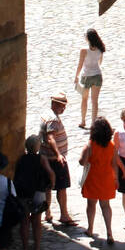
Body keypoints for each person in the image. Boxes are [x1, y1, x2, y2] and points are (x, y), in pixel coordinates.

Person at [80, 117, 125, 247]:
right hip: (106, 179)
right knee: (106, 206)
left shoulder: (91, 144)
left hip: (93, 178)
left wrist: (86, 152)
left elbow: (82, 162)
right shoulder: (111, 146)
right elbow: (114, 165)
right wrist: (116, 179)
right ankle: (109, 232)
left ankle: (90, 229)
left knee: (91, 205)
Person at [13, 134, 55, 250]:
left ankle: (25, 249)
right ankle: (37, 249)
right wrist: (51, 184)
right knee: (37, 222)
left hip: (23, 192)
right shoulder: (41, 159)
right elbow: (50, 173)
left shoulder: (21, 158)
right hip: (38, 192)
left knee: (24, 222)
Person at [39, 92, 78, 226]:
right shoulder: (53, 119)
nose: (64, 108)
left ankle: (48, 213)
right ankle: (64, 215)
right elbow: (50, 138)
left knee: (47, 187)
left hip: (46, 157)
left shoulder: (47, 115)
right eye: (62, 106)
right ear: (55, 104)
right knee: (62, 187)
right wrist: (58, 154)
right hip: (54, 159)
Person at [75, 28, 105, 128]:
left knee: (84, 99)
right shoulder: (100, 48)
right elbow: (100, 62)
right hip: (97, 75)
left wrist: (76, 76)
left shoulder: (84, 50)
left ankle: (83, 121)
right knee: (95, 101)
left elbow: (80, 65)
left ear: (88, 38)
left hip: (86, 76)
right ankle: (93, 123)